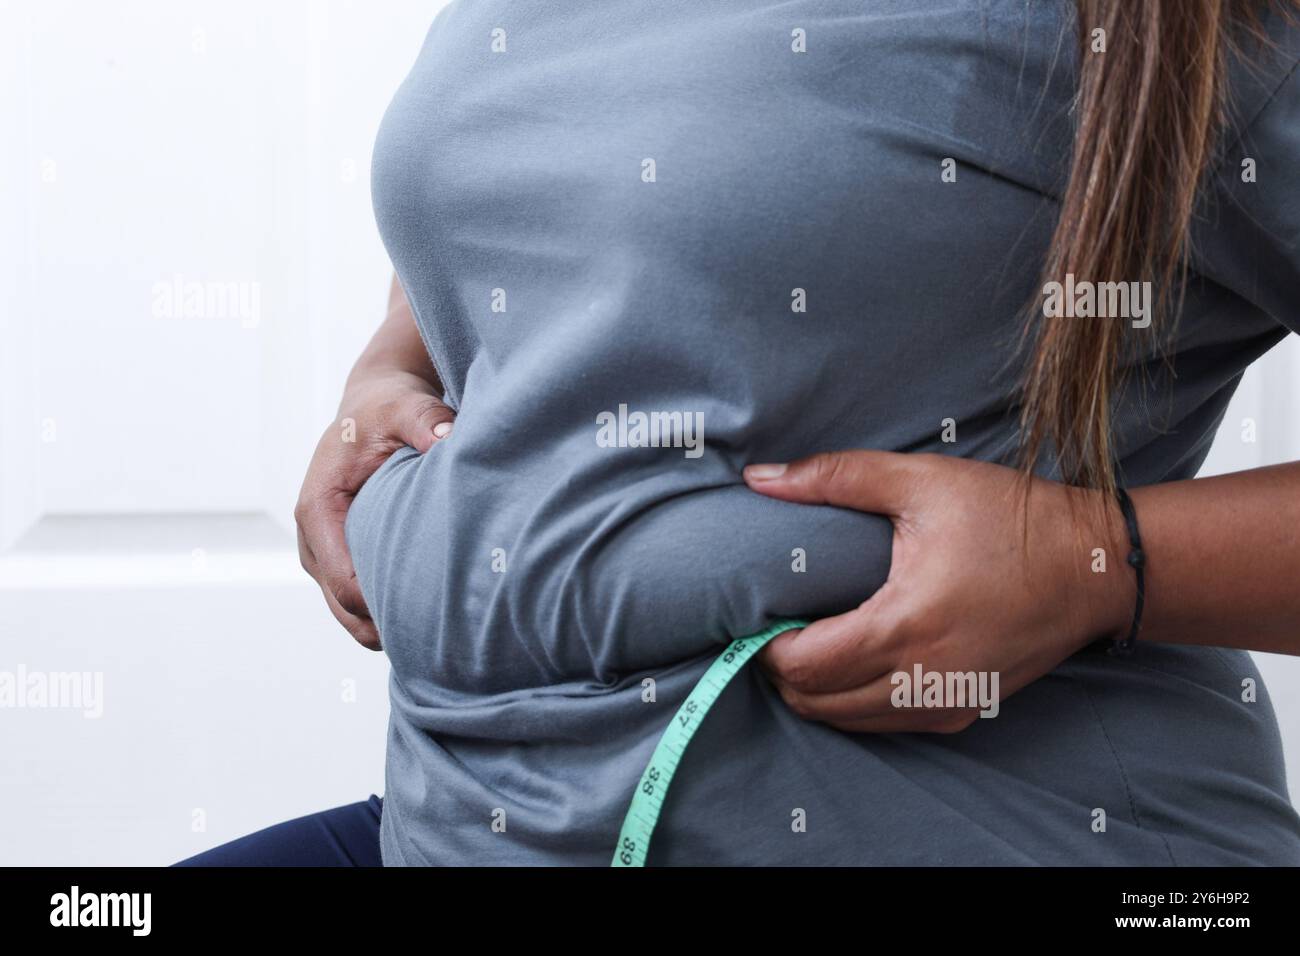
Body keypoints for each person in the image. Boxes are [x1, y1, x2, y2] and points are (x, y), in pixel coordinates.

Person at [180, 0, 1300, 866]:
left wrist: (1096, 559)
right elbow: (540, 184)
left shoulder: (1183, 32)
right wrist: (394, 360)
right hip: (468, 815)